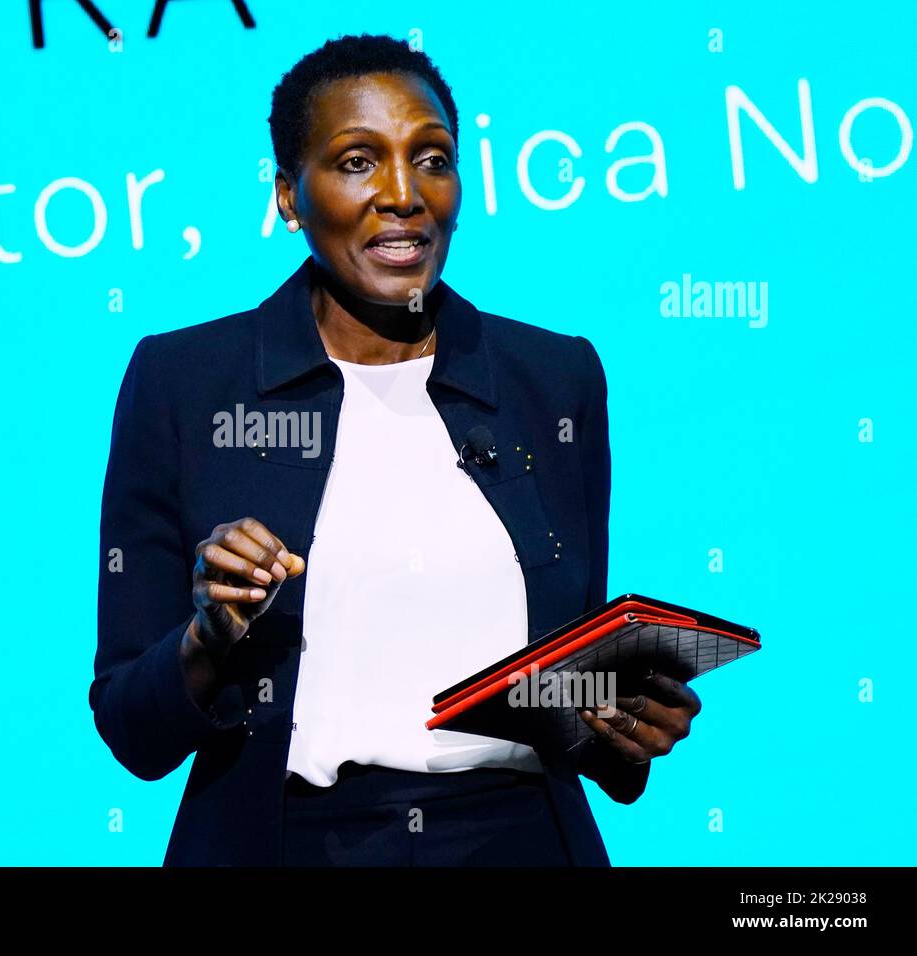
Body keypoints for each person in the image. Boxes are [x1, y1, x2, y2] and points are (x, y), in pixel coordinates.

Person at [89, 33, 701, 866]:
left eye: (433, 158)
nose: (403, 195)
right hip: (288, 844)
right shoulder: (185, 383)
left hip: (523, 841)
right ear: (287, 197)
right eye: (355, 162)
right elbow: (132, 727)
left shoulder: (553, 378)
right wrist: (208, 636)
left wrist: (618, 722)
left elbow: (567, 696)